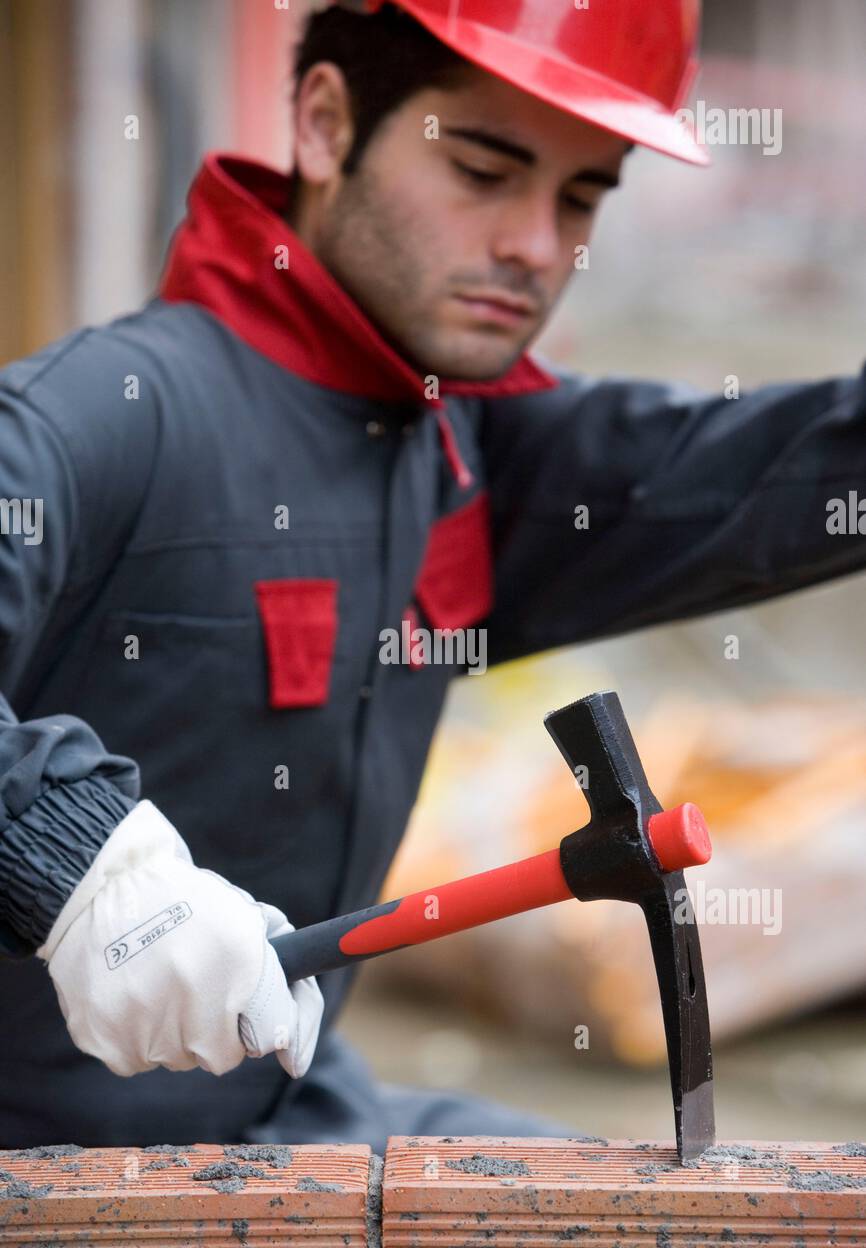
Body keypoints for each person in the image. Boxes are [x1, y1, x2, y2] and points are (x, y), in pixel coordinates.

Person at [0, 0, 863, 1156]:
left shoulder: (467, 450)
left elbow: (769, 471)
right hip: (41, 1168)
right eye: (481, 169)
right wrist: (69, 857)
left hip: (287, 1109)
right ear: (322, 123)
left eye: (577, 197)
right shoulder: (112, 418)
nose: (532, 244)